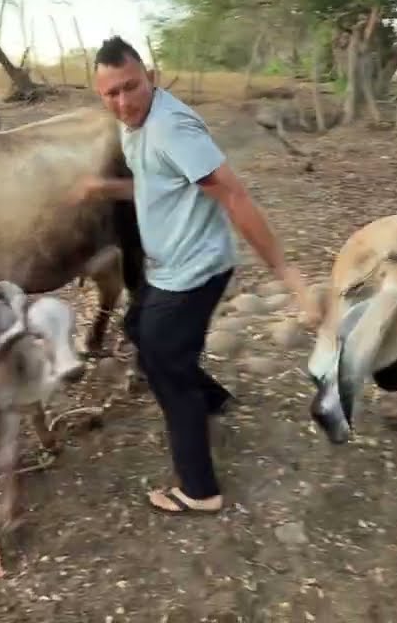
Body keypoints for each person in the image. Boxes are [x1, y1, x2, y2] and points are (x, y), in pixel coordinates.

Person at [68, 35, 314, 516]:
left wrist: (287, 272)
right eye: (111, 93)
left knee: (164, 369)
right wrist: (103, 187)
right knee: (137, 327)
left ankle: (199, 491)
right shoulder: (134, 124)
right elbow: (159, 181)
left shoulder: (171, 128)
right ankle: (213, 398)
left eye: (131, 87)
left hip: (194, 270)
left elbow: (234, 196)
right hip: (168, 266)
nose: (123, 101)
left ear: (151, 77)